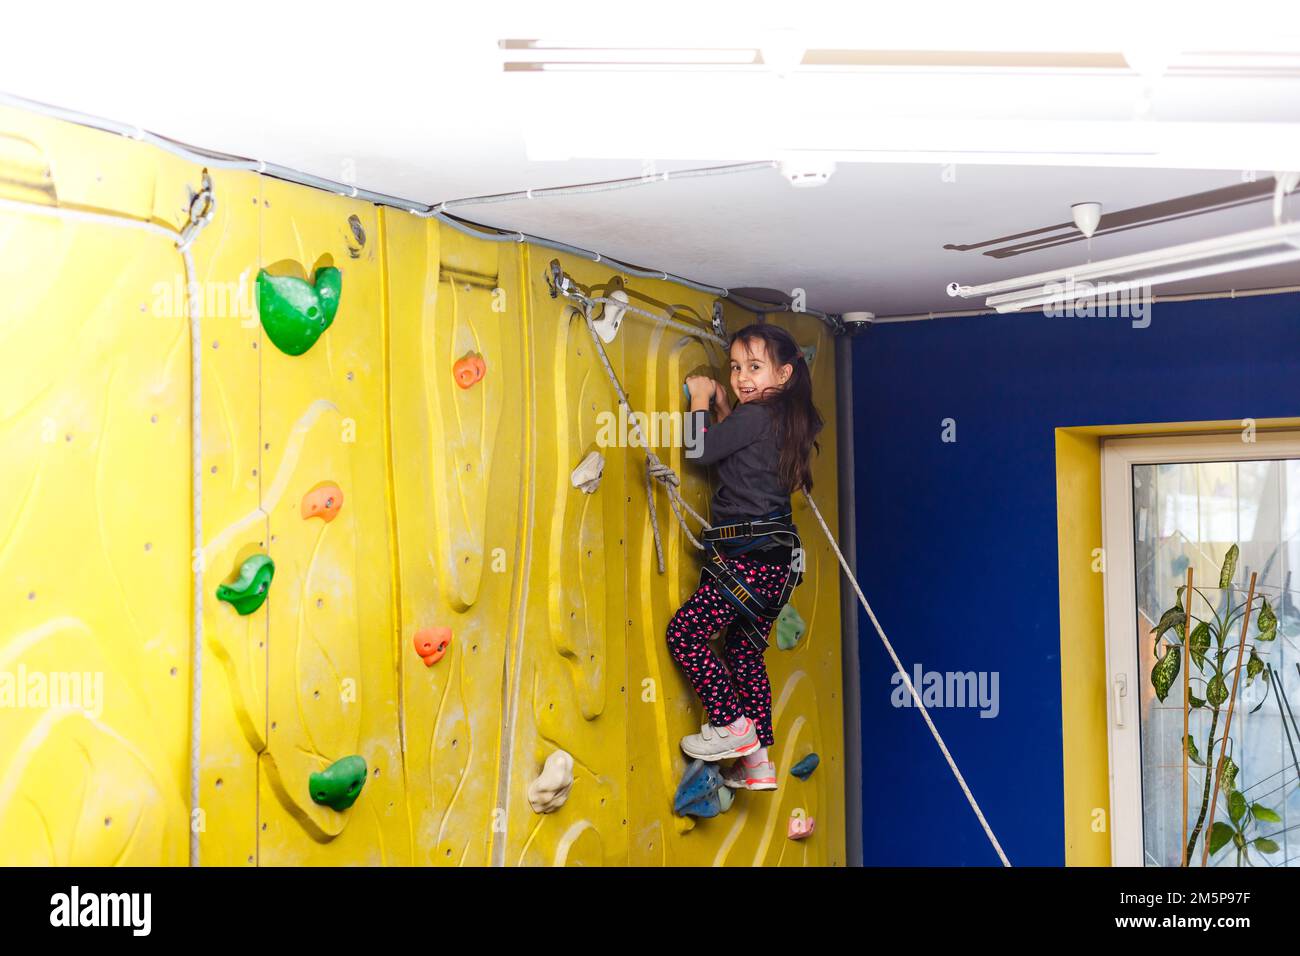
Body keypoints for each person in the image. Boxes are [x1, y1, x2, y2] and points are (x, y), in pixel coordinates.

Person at [666, 322, 824, 791]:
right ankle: (757, 763)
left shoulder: (756, 417)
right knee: (742, 650)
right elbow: (743, 447)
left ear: (786, 373)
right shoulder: (786, 420)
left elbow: (700, 449)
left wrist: (699, 398)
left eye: (755, 367)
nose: (741, 376)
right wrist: (724, 407)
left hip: (745, 564)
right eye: (736, 367)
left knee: (685, 634)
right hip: (774, 572)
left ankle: (731, 725)